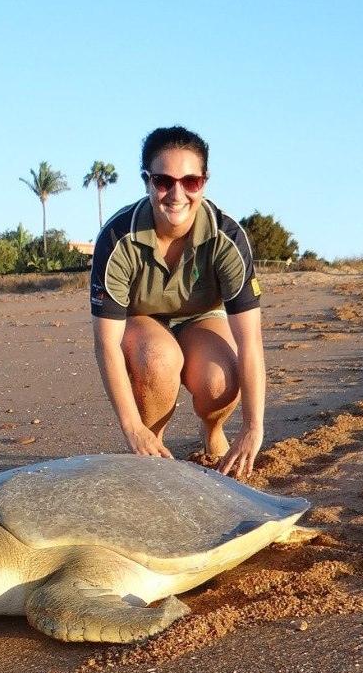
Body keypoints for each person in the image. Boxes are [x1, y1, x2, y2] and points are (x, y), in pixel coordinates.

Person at [90, 126, 265, 478]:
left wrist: (252, 427)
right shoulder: (116, 237)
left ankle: (212, 432)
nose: (177, 193)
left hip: (202, 316)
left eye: (191, 182)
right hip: (143, 321)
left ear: (204, 181)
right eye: (163, 181)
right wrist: (132, 429)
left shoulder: (227, 237)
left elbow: (250, 341)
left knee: (219, 379)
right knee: (157, 358)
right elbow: (106, 344)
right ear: (147, 181)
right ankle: (152, 446)